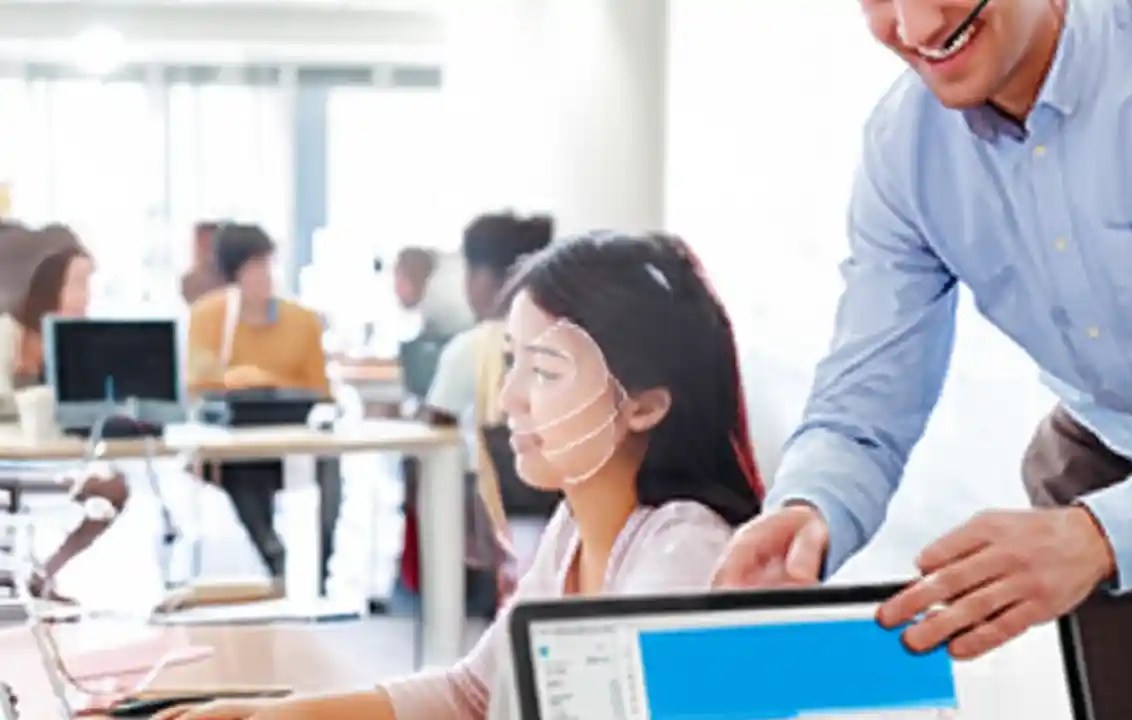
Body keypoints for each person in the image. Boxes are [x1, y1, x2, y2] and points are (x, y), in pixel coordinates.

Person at [713, 0, 1132, 717]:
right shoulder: (904, 147)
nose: (914, 28)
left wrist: (1097, 537)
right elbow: (864, 402)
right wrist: (809, 508)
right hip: (1103, 454)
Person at [155, 232, 766, 720]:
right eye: (511, 363)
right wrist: (283, 715)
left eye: (546, 372)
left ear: (644, 405)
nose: (509, 397)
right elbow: (473, 696)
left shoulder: (684, 556)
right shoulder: (575, 530)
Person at [394, 212, 555, 615]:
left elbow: (437, 427)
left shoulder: (473, 347)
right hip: (557, 505)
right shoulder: (565, 338)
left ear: (483, 278)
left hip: (489, 509)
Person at [187, 223, 331, 583]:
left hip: (293, 432)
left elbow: (319, 389)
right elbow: (196, 380)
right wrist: (241, 379)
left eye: (267, 265)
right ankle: (271, 550)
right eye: (253, 267)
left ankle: (320, 566)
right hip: (237, 436)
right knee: (243, 465)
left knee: (331, 466)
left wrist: (268, 384)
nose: (263, 276)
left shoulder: (302, 321)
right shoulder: (209, 317)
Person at [0, 231, 128, 601]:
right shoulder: (11, 333)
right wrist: (36, 402)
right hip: (14, 455)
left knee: (111, 489)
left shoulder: (79, 340)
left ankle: (46, 573)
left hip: (56, 457)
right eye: (78, 284)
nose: (85, 296)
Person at [180, 221, 228, 306]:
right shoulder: (189, 281)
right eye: (202, 242)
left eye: (208, 244)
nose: (205, 248)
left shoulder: (231, 279)